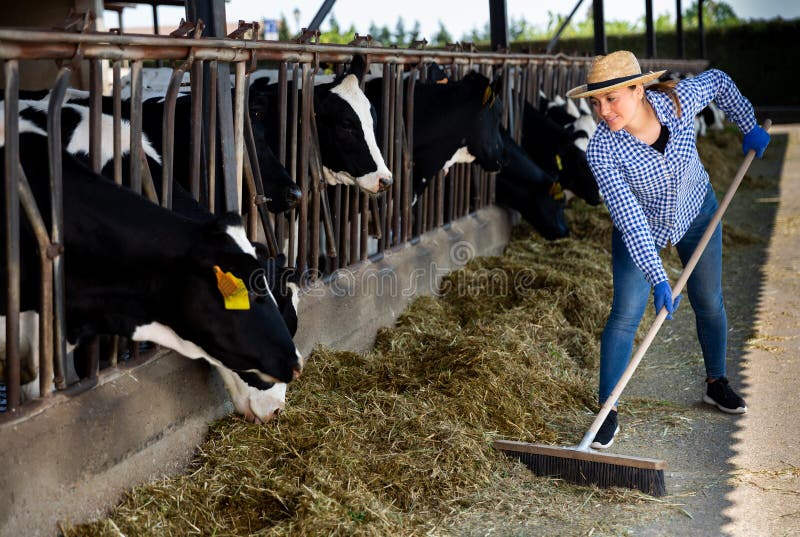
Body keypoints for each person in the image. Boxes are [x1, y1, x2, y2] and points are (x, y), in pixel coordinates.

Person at [566, 50, 770, 449]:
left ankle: (716, 383)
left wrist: (747, 123)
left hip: (698, 211)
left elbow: (720, 80)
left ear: (639, 89)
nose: (603, 111)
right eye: (595, 102)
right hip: (642, 230)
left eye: (612, 98)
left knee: (708, 300)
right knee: (625, 315)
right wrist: (658, 276)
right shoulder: (603, 150)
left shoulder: (678, 102)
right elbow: (629, 218)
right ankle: (607, 410)